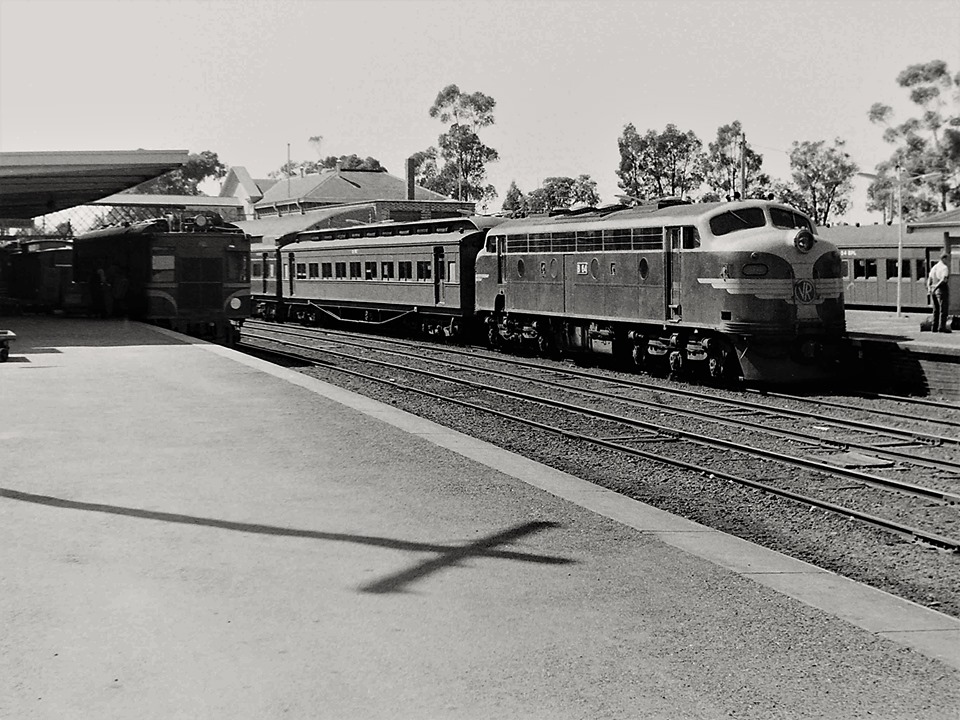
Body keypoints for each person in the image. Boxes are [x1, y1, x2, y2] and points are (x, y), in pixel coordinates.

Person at [926, 252, 951, 333]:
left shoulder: (935, 267)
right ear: (944, 258)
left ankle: (934, 327)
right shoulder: (944, 268)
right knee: (943, 309)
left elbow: (929, 278)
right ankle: (942, 327)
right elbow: (943, 279)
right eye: (948, 259)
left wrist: (930, 288)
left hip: (933, 289)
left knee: (936, 309)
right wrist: (936, 286)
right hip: (941, 289)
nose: (948, 260)